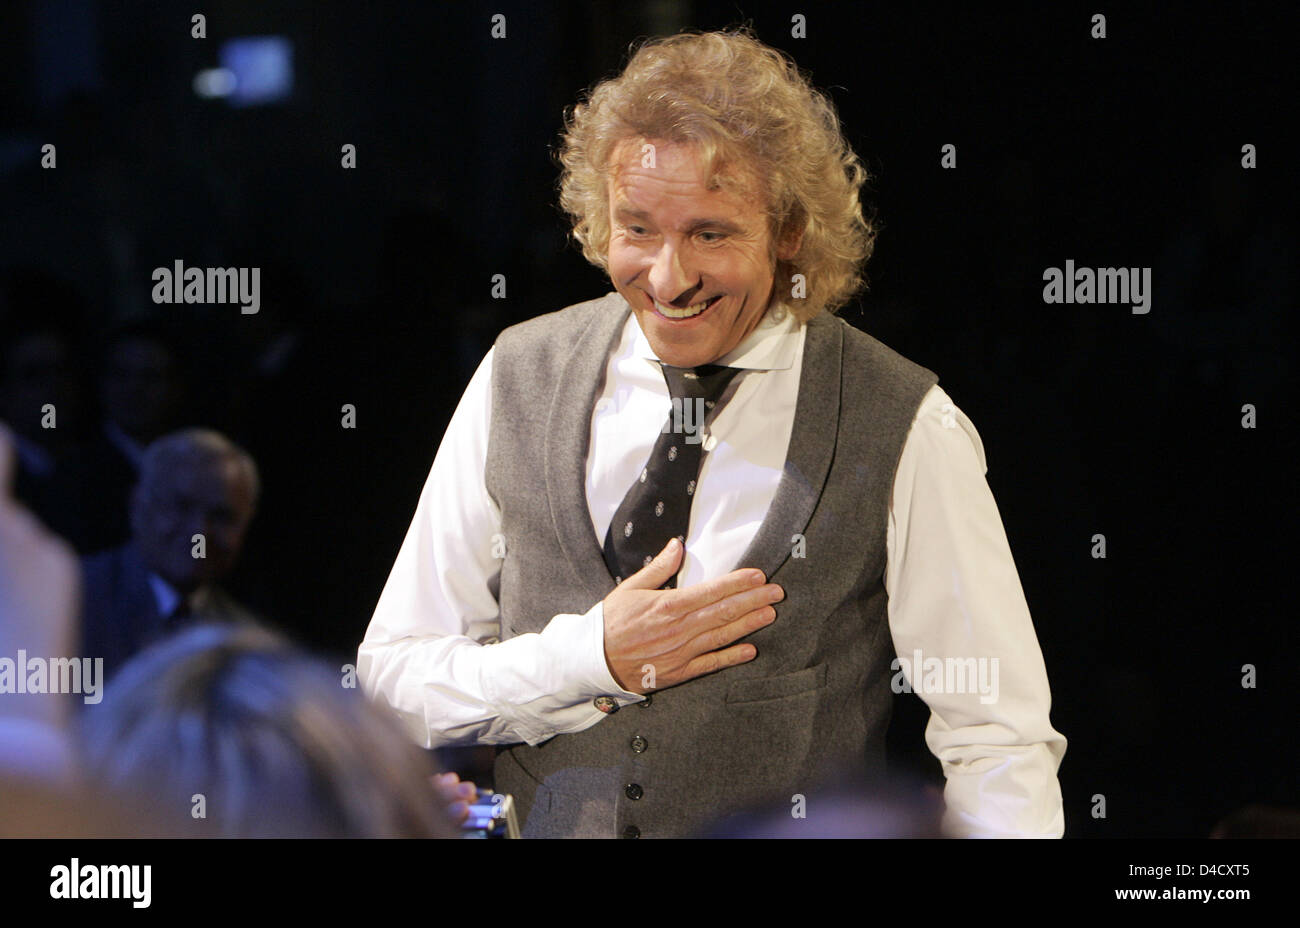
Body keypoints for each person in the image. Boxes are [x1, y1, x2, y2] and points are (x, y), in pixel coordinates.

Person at [358, 29, 1066, 838]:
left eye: (710, 234)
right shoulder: (519, 376)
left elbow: (997, 742)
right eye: (639, 230)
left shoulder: (903, 423)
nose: (668, 278)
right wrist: (591, 660)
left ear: (790, 231)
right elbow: (393, 683)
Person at [80, 427, 260, 682]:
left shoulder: (242, 640)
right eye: (181, 507)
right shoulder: (70, 599)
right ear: (138, 506)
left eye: (221, 516)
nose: (199, 532)